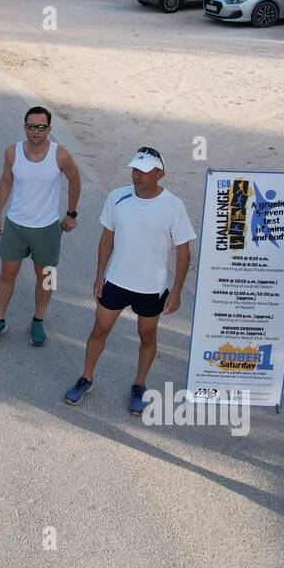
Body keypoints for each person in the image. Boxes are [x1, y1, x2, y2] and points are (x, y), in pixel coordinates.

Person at [64, 146, 195, 414]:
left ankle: (139, 384)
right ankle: (86, 378)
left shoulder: (174, 206)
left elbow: (184, 252)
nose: (137, 175)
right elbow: (106, 238)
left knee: (147, 336)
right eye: (135, 169)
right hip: (116, 281)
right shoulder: (117, 197)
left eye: (144, 171)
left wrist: (177, 291)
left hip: (152, 288)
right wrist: (99, 276)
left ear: (160, 174)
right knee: (99, 330)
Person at [0, 106, 82, 347]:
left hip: (47, 228)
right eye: (31, 126)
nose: (35, 131)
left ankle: (38, 320)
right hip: (16, 224)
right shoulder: (12, 152)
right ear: (24, 126)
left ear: (49, 129)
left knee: (46, 276)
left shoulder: (60, 155)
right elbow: (6, 182)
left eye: (40, 127)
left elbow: (75, 180)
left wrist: (71, 214)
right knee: (7, 273)